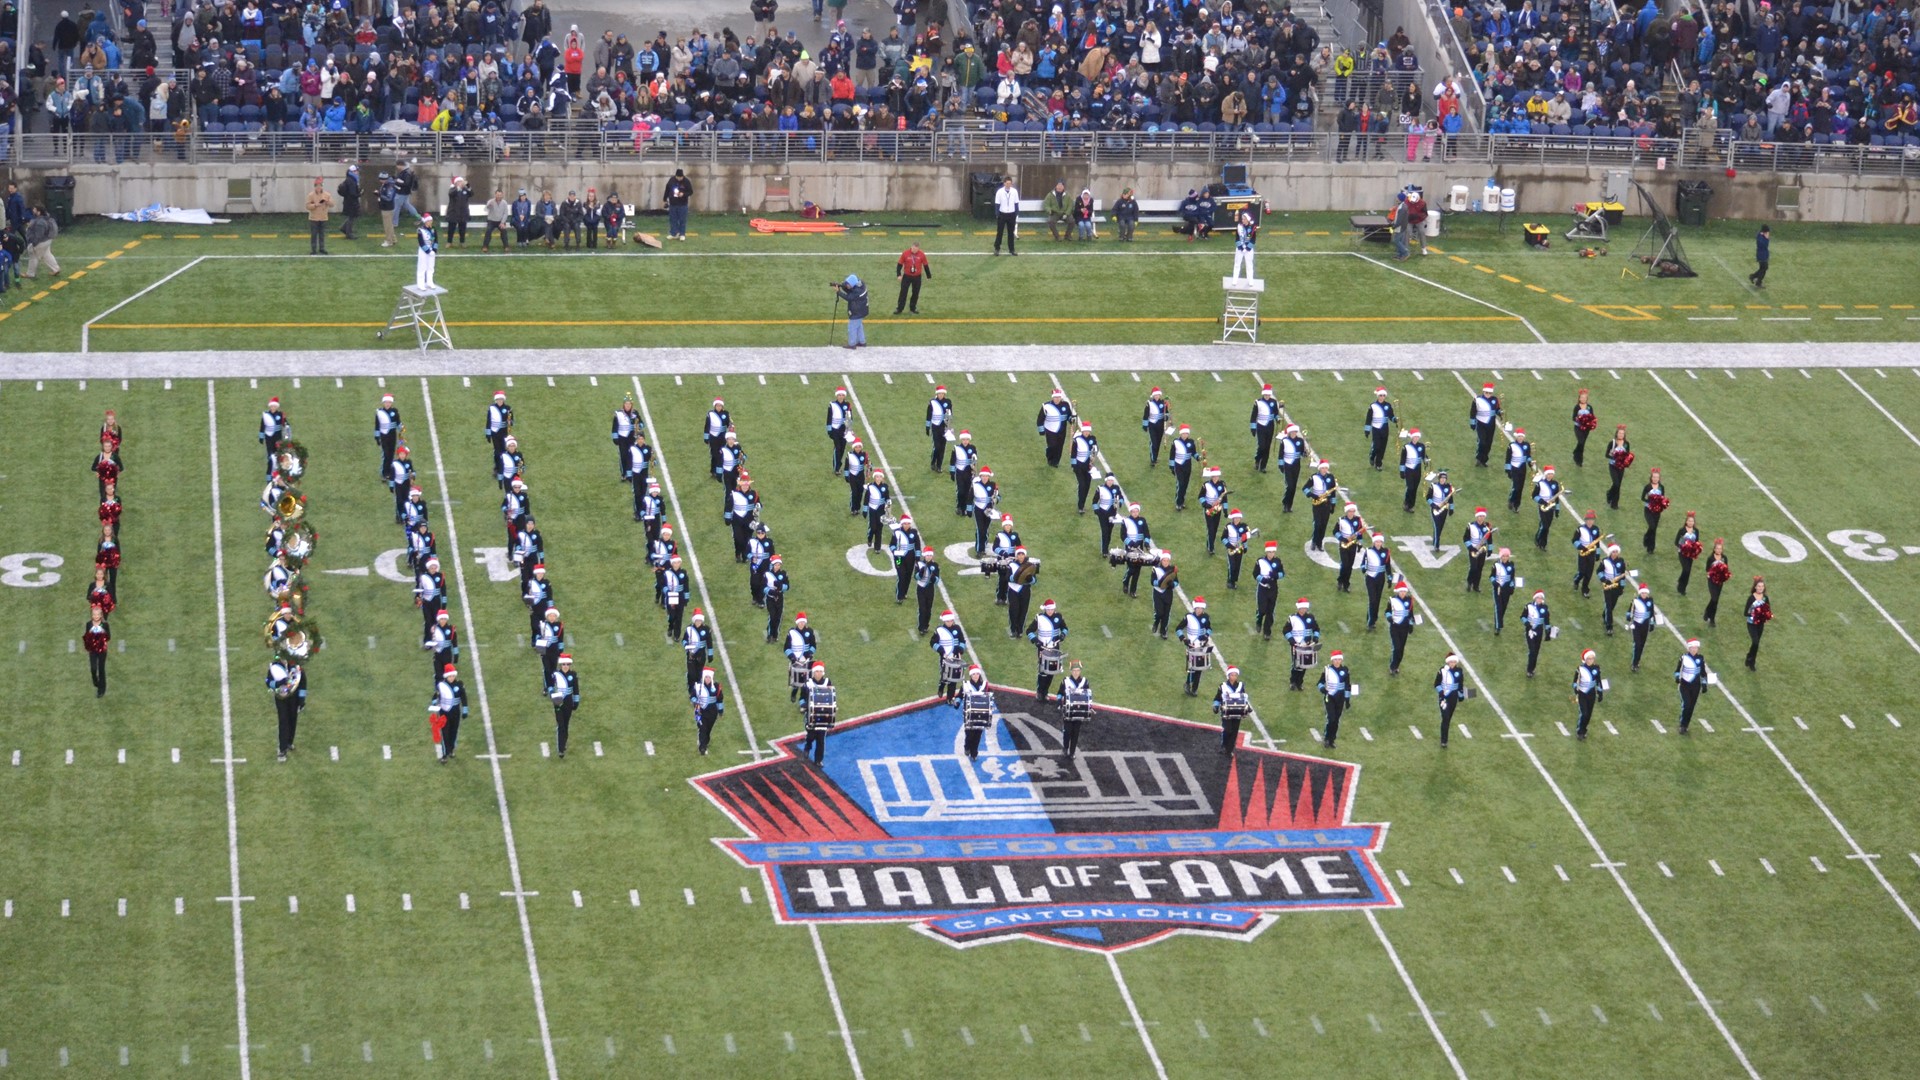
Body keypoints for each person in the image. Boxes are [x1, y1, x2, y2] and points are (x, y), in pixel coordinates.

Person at [268, 656, 305, 762]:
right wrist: (280, 683)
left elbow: (303, 682)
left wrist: (301, 699)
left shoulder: (295, 665)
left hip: (294, 698)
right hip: (281, 698)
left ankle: (289, 742)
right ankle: (282, 749)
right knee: (283, 721)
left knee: (293, 719)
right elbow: (269, 682)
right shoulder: (275, 667)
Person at [799, 662, 837, 764]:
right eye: (817, 671)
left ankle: (818, 760)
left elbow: (831, 697)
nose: (819, 673)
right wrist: (803, 706)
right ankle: (807, 748)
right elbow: (802, 698)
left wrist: (833, 707)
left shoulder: (827, 682)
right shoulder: (808, 683)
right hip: (811, 715)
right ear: (813, 672)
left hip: (824, 715)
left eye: (820, 671)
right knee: (811, 736)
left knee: (821, 739)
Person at [430, 664, 468, 762]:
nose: (451, 678)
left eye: (453, 676)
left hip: (455, 713)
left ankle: (451, 750)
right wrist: (434, 704)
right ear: (446, 676)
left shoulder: (459, 684)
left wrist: (465, 709)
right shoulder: (441, 685)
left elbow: (464, 697)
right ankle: (444, 754)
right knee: (445, 733)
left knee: (453, 732)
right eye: (450, 676)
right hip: (444, 713)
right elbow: (435, 696)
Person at [1316, 650, 1353, 749]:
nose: (1337, 661)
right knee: (1331, 719)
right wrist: (1322, 689)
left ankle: (1332, 739)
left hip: (1340, 699)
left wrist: (1347, 699)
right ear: (1332, 660)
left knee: (1336, 720)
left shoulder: (1345, 670)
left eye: (1339, 659)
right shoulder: (1327, 670)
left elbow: (1347, 686)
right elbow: (1319, 683)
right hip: (1330, 697)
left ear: (1341, 660)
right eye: (1335, 659)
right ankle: (1327, 738)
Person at [1212, 664, 1251, 754]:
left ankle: (1229, 750)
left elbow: (1243, 698)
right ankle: (1224, 745)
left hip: (1237, 712)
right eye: (1232, 675)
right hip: (1226, 713)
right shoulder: (1222, 686)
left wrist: (1247, 707)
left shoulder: (1241, 686)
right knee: (1227, 730)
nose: (1234, 677)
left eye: (1235, 675)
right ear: (1228, 675)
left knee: (1234, 732)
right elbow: (1217, 697)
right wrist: (1216, 706)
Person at [958, 665, 994, 760]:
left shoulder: (985, 685)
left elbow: (990, 696)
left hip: (981, 714)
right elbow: (960, 695)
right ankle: (967, 747)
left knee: (978, 735)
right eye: (973, 674)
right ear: (971, 675)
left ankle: (974, 753)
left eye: (977, 674)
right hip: (969, 715)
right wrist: (957, 701)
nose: (975, 676)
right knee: (969, 734)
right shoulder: (966, 685)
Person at [1056, 661, 1093, 756]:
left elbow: (1088, 697)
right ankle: (1065, 748)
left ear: (1080, 671)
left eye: (1078, 670)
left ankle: (1072, 752)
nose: (1076, 672)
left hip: (1079, 712)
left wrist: (1089, 707)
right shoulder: (1065, 681)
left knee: (1076, 733)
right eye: (1074, 670)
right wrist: (1059, 702)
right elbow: (1059, 693)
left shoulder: (1085, 682)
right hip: (1068, 711)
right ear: (1071, 671)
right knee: (1067, 731)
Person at [548, 653, 580, 758]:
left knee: (565, 725)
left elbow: (576, 690)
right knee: (560, 725)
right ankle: (561, 749)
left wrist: (576, 702)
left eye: (567, 664)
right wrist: (552, 693)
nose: (565, 666)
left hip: (568, 703)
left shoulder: (573, 675)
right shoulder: (556, 675)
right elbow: (550, 685)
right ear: (561, 665)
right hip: (558, 703)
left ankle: (564, 742)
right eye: (563, 664)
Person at [1675, 638, 1709, 734]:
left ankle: (1686, 725)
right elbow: (1677, 670)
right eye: (1692, 648)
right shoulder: (1683, 657)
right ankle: (1682, 725)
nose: (1694, 649)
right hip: (1684, 685)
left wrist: (1704, 684)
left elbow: (1703, 672)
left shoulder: (1701, 658)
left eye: (1696, 648)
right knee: (1686, 705)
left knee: (1691, 707)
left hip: (1696, 686)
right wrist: (1677, 677)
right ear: (1689, 648)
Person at [1434, 652, 1466, 747]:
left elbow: (1460, 684)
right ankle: (1444, 741)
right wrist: (1441, 692)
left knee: (1448, 719)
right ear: (1448, 662)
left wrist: (1461, 695)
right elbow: (1436, 683)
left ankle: (1444, 739)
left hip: (1453, 697)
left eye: (1454, 661)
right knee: (1445, 717)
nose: (1452, 663)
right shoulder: (1442, 670)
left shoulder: (1459, 671)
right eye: (1451, 662)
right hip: (1444, 698)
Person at [691, 666, 724, 754]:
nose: (707, 679)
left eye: (709, 677)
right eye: (706, 677)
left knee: (708, 730)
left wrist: (720, 710)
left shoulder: (716, 687)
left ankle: (705, 741)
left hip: (712, 712)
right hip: (699, 711)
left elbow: (720, 699)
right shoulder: (698, 686)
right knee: (702, 728)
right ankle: (702, 748)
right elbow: (692, 696)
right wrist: (696, 701)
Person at [1362, 386, 1397, 470]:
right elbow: (1368, 418)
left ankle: (1378, 463)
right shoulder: (1373, 406)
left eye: (1383, 395)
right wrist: (1367, 430)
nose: (1382, 397)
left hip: (1385, 429)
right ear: (1377, 396)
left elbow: (1391, 416)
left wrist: (1395, 420)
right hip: (1376, 429)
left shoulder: (1388, 405)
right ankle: (1372, 455)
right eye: (1380, 395)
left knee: (1382, 448)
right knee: (1377, 446)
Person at [22, 206, 60, 281]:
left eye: (35, 209)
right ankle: (56, 269)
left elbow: (39, 235)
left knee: (33, 256)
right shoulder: (47, 218)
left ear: (39, 212)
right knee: (47, 255)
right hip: (47, 240)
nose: (33, 210)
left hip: (40, 242)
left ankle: (30, 274)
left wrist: (33, 243)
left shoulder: (40, 222)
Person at [1573, 648, 1603, 740]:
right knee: (1584, 713)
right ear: (1585, 659)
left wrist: (1600, 692)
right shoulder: (1580, 669)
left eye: (1592, 658)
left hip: (1591, 694)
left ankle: (1584, 729)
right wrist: (1576, 690)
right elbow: (1575, 681)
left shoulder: (1596, 668)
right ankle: (1579, 731)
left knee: (1589, 714)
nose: (1591, 660)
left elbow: (1598, 681)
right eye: (1589, 658)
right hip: (1582, 694)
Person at [1522, 589, 1554, 676]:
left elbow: (1547, 621)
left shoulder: (1545, 608)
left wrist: (1548, 631)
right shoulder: (1528, 606)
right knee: (1532, 651)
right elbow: (1523, 616)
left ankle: (1532, 669)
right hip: (1530, 631)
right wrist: (1527, 623)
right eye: (1538, 597)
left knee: (1536, 651)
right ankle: (1529, 670)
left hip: (1539, 632)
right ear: (1535, 598)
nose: (1539, 599)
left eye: (1541, 598)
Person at [1743, 577, 1772, 670]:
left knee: (1756, 644)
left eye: (1762, 586)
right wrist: (1756, 613)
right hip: (1751, 624)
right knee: (1755, 642)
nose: (1760, 588)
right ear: (1755, 587)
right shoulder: (1751, 598)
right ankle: (1749, 657)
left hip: (1760, 624)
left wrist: (1766, 615)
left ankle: (1751, 662)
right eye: (1759, 586)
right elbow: (1745, 613)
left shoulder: (1765, 598)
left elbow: (1768, 610)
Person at [894, 241, 930, 314]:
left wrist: (928, 275)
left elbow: (925, 265)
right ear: (911, 247)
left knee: (915, 293)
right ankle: (899, 309)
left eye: (916, 249)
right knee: (903, 292)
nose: (915, 250)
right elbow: (899, 264)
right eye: (914, 249)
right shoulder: (905, 253)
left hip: (917, 277)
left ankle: (913, 308)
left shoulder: (922, 254)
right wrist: (899, 274)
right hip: (907, 276)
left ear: (918, 248)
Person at [833, 274, 868, 349]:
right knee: (859, 326)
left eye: (848, 284)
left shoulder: (857, 291)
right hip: (862, 310)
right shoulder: (860, 284)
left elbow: (849, 297)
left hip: (857, 312)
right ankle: (862, 342)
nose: (847, 285)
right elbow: (851, 289)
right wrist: (842, 285)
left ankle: (852, 344)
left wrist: (838, 292)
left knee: (852, 327)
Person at [1249, 384, 1279, 471]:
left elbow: (1275, 413)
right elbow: (1253, 416)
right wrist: (1253, 428)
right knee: (1262, 446)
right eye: (1266, 394)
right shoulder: (1258, 402)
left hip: (1270, 426)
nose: (1267, 396)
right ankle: (1257, 460)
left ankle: (1263, 466)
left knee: (1267, 447)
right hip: (1261, 426)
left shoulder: (1274, 402)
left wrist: (1277, 419)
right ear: (1263, 394)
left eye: (1268, 394)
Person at [84, 603, 111, 697]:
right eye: (94, 614)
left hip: (102, 650)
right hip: (92, 650)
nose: (96, 616)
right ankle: (95, 681)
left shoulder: (105, 625)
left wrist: (103, 632)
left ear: (101, 615)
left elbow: (108, 637)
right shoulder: (88, 624)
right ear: (92, 615)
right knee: (93, 668)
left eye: (97, 614)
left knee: (101, 669)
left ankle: (101, 689)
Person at [1702, 537, 1730, 625]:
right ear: (1714, 549)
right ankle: (1708, 612)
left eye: (1720, 549)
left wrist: (1723, 575)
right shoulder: (1710, 558)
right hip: (1712, 581)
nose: (1719, 550)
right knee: (1714, 598)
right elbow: (1707, 569)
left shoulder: (1724, 558)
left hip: (1720, 582)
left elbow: (1726, 569)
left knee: (1716, 600)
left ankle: (1712, 619)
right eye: (1717, 548)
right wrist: (1713, 574)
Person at [1674, 511, 1702, 595]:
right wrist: (1684, 546)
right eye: (1689, 521)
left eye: (1692, 521)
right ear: (1686, 521)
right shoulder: (1682, 530)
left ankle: (1682, 588)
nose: (1690, 522)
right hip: (1682, 553)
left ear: (1694, 522)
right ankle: (1680, 583)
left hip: (1691, 554)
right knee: (1686, 569)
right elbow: (1676, 542)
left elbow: (1697, 542)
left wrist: (1695, 549)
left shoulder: (1696, 531)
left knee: (1688, 571)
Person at [992, 175, 1020, 255]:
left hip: (1011, 214)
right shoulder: (999, 192)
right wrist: (997, 214)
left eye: (1010, 183)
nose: (1008, 185)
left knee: (1011, 233)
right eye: (1007, 183)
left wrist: (1016, 213)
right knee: (999, 232)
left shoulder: (1014, 191)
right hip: (1002, 214)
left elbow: (1016, 203)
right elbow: (997, 203)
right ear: (1004, 183)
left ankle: (1011, 249)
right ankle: (997, 248)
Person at [663, 168, 692, 240]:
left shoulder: (686, 181)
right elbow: (667, 190)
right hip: (673, 203)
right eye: (678, 177)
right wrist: (665, 199)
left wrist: (683, 194)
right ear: (676, 176)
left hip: (683, 204)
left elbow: (690, 192)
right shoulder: (671, 180)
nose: (679, 179)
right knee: (673, 219)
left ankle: (682, 234)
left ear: (683, 176)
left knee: (682, 219)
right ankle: (673, 233)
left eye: (680, 177)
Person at [1232, 202, 1258, 280]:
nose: (1242, 220)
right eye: (1242, 219)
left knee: (1249, 265)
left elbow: (1253, 239)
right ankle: (1235, 279)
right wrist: (1240, 247)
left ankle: (1250, 280)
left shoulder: (1252, 227)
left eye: (1244, 219)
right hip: (1239, 248)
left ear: (1248, 219)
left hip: (1248, 249)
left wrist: (1247, 248)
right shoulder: (1239, 226)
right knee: (1237, 264)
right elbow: (1237, 238)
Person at [1571, 387, 1596, 467]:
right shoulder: (1577, 407)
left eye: (1585, 398)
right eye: (1582, 397)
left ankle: (1577, 455)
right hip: (1578, 428)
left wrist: (1590, 422)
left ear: (1587, 399)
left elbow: (1592, 416)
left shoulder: (1589, 407)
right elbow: (1573, 417)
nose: (1583, 399)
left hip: (1586, 429)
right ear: (1579, 398)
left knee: (1582, 444)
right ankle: (1578, 459)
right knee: (1581, 442)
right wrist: (1580, 419)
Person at [446, 177, 473, 246]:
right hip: (453, 212)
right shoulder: (453, 189)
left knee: (462, 229)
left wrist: (468, 186)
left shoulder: (465, 190)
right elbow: (451, 194)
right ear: (456, 183)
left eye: (462, 181)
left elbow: (471, 194)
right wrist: (459, 187)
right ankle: (449, 242)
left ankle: (462, 242)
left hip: (463, 213)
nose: (461, 183)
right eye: (459, 181)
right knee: (451, 228)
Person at [338, 165, 362, 241]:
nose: (357, 172)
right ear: (352, 172)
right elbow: (352, 193)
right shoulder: (351, 181)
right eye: (356, 171)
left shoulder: (349, 179)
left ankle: (344, 228)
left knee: (351, 217)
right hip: (351, 201)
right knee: (351, 217)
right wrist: (359, 194)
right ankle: (348, 233)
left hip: (348, 201)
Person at [415, 213, 439, 289]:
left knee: (431, 267)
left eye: (431, 220)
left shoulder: (433, 229)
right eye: (429, 221)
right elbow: (421, 242)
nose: (430, 222)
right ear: (425, 221)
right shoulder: (420, 230)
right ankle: (420, 283)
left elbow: (436, 240)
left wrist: (434, 250)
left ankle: (430, 282)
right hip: (423, 250)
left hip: (432, 250)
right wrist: (428, 251)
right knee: (422, 267)